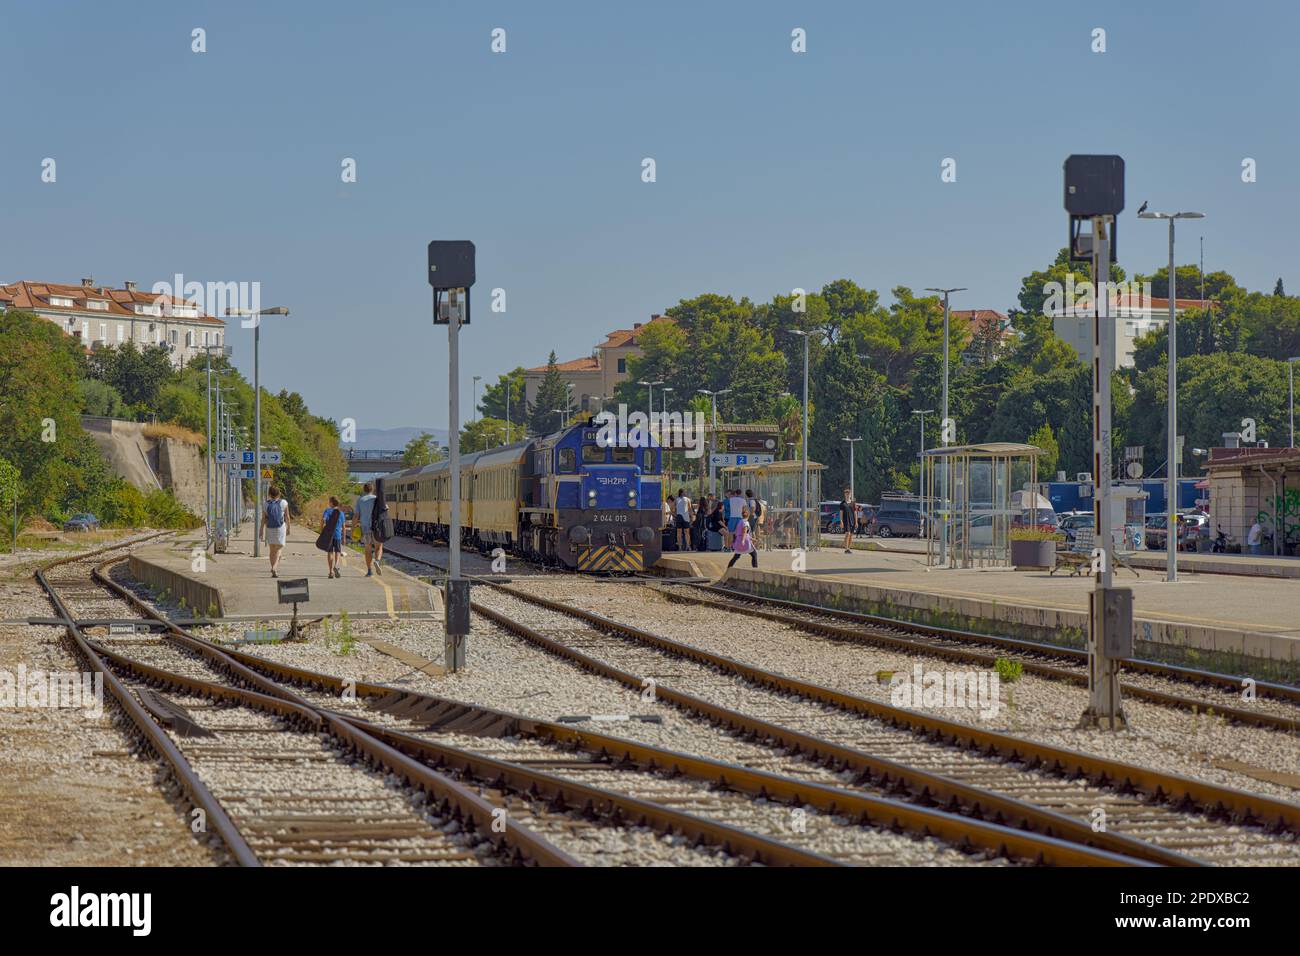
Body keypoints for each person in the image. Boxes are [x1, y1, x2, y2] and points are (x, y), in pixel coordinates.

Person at [263, 486, 289, 578]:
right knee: (279, 548)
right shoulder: (284, 503)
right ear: (279, 494)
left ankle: (273, 567)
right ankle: (274, 567)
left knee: (272, 549)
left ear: (269, 494)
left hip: (269, 528)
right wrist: (289, 528)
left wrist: (261, 530)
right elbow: (287, 517)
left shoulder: (265, 504)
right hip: (280, 528)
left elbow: (264, 519)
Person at [355, 483, 379, 577]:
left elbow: (356, 515)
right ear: (372, 489)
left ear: (364, 490)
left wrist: (353, 527)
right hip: (377, 528)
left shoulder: (360, 500)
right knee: (378, 547)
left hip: (365, 528)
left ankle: (369, 571)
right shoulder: (377, 499)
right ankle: (377, 561)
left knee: (367, 549)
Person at [319, 496, 346, 578]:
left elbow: (323, 520)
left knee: (330, 552)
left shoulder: (327, 511)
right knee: (337, 551)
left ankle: (330, 572)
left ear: (331, 503)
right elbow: (344, 527)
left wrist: (321, 530)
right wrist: (344, 537)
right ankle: (336, 565)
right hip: (337, 535)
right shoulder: (341, 513)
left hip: (329, 535)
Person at [840, 487, 856, 553]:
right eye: (846, 493)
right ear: (845, 495)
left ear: (850, 494)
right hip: (846, 521)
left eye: (849, 493)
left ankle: (848, 548)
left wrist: (856, 521)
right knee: (847, 534)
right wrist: (841, 521)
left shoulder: (853, 503)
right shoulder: (842, 504)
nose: (847, 495)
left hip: (852, 520)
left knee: (851, 535)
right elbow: (841, 513)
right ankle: (846, 549)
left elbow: (855, 512)